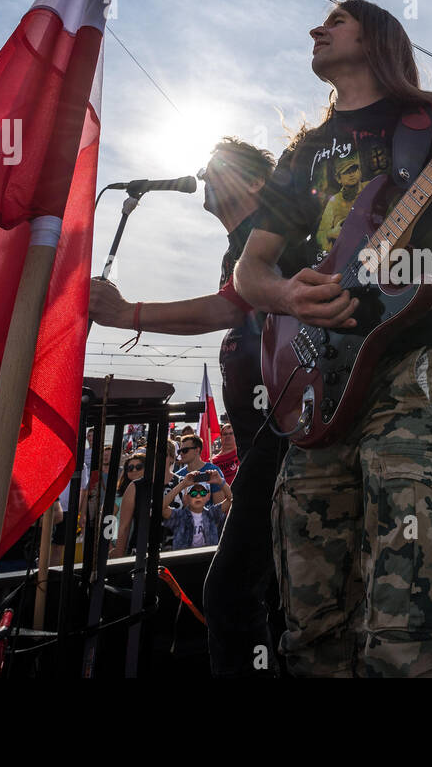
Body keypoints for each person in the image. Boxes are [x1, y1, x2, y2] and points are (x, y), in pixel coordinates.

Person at [235, 0, 432, 677]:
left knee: (415, 614)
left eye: (336, 20)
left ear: (378, 36)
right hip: (318, 380)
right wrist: (287, 295)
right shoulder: (303, 151)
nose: (316, 27)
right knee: (312, 616)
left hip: (420, 364)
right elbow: (249, 270)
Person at [91, 137, 292, 676]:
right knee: (268, 591)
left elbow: (226, 306)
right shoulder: (237, 246)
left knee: (231, 590)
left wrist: (127, 311)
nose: (202, 174)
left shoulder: (267, 238)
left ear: (254, 182)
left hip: (283, 436)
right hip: (260, 440)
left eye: (216, 168)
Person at [164, 479, 226, 550]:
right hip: (184, 558)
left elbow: (231, 499)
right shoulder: (179, 516)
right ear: (186, 496)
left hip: (208, 557)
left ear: (208, 496)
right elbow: (161, 508)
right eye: (193, 493)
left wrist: (220, 480)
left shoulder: (212, 513)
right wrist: (182, 485)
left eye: (203, 493)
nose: (198, 496)